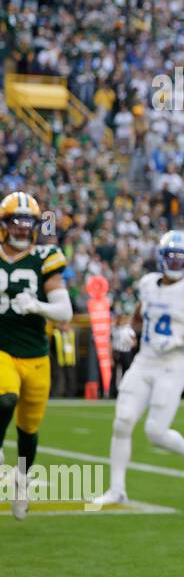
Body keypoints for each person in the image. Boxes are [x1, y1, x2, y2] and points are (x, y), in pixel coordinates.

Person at [94, 230, 184, 506]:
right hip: (144, 362)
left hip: (171, 365)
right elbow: (138, 319)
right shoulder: (148, 284)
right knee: (121, 422)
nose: (176, 263)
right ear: (161, 258)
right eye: (171, 257)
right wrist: (127, 332)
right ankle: (117, 489)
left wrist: (180, 341)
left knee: (155, 432)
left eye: (181, 259)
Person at [0, 192, 73, 520]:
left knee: (29, 430)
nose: (20, 230)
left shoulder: (45, 256)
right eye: (15, 223)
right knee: (4, 398)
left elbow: (65, 311)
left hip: (37, 355)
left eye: (27, 224)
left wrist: (38, 306)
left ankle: (21, 481)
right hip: (3, 349)